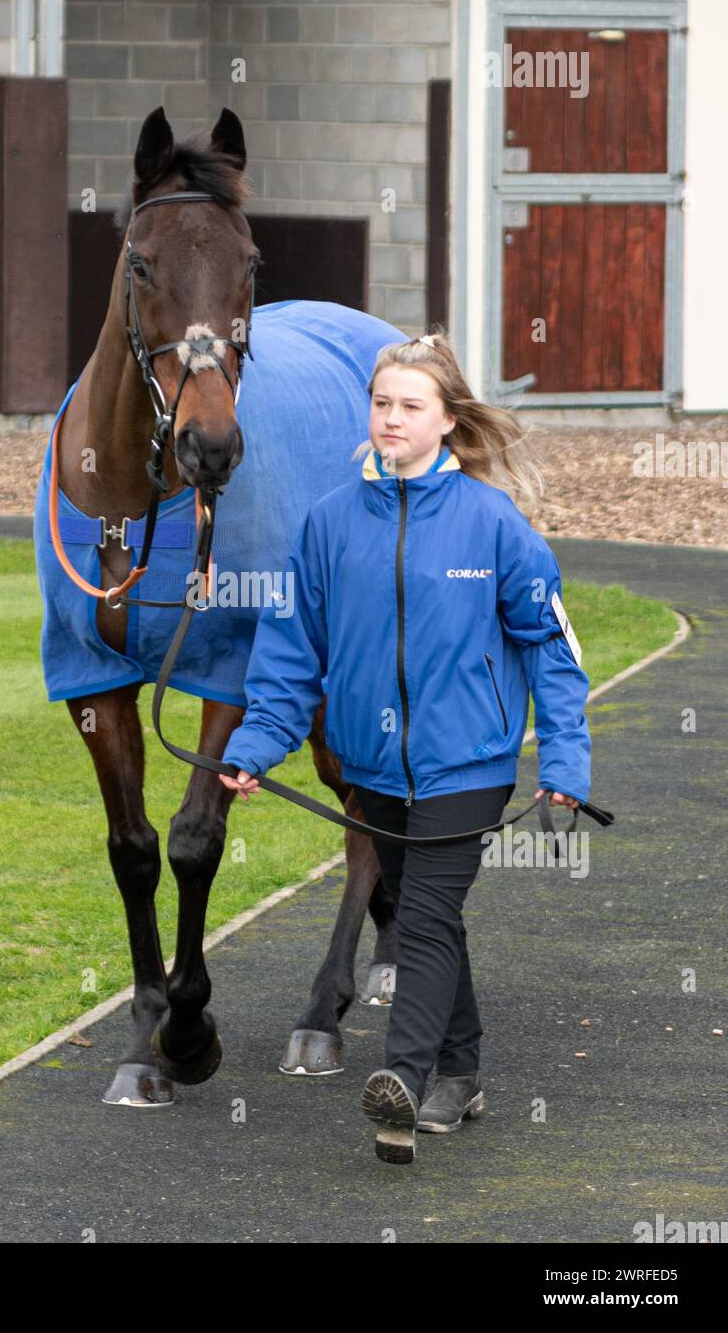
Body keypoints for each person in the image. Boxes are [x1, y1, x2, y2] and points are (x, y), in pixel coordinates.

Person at [218, 331, 593, 1168]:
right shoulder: (326, 524)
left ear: (448, 421)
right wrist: (256, 745)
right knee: (435, 917)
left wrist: (564, 766)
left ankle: (404, 1075)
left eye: (408, 406)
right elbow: (289, 654)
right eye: (380, 403)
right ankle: (461, 1071)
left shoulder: (493, 524)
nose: (390, 419)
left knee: (421, 917)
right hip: (371, 768)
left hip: (469, 764)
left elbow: (553, 651)